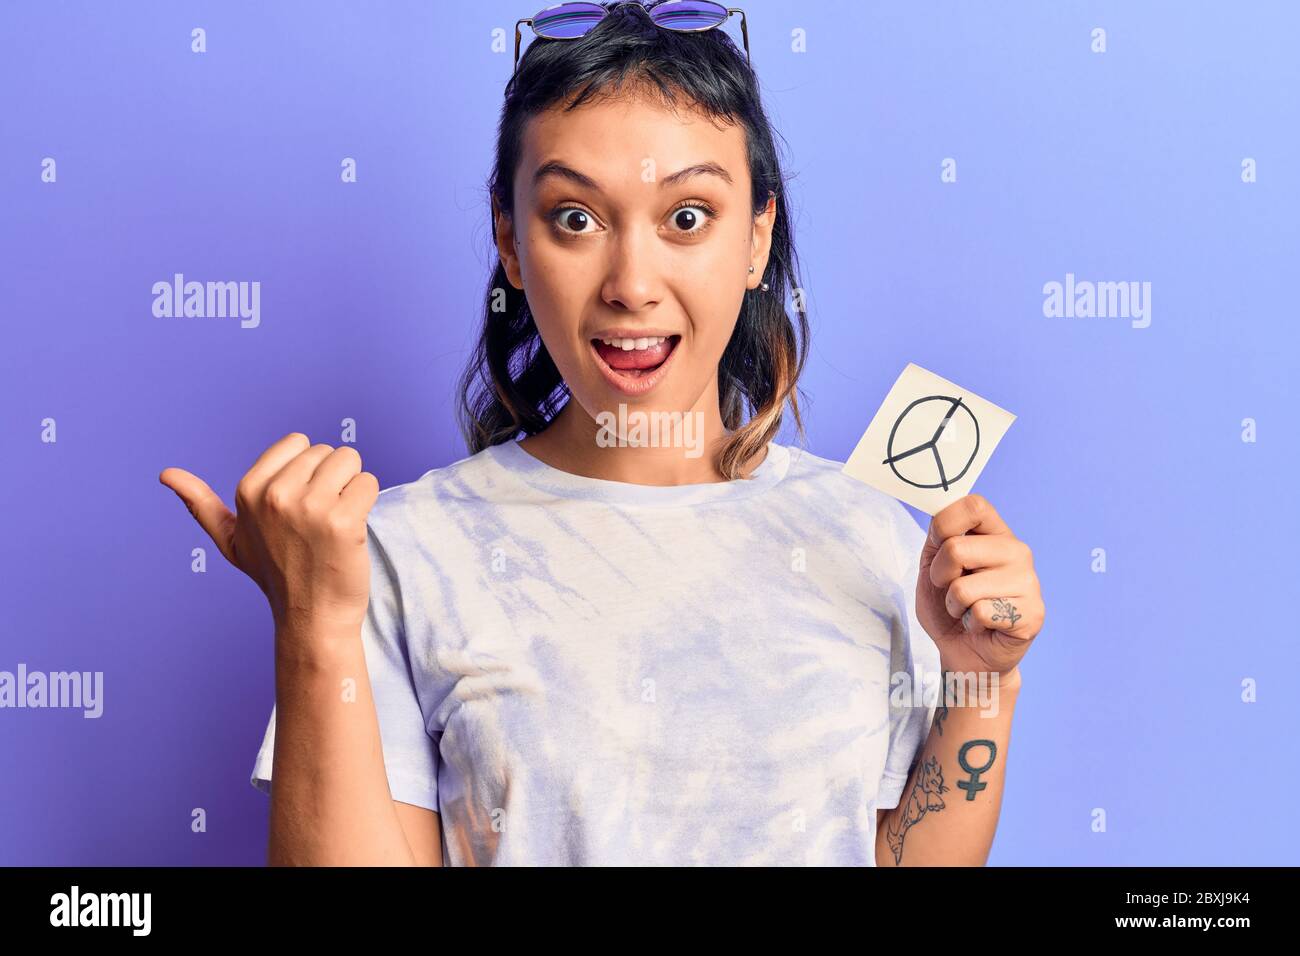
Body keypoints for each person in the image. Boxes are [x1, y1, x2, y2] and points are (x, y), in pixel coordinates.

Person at [160, 1, 1044, 866]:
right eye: (574, 218)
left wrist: (981, 679)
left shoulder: (878, 538)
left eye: (687, 217)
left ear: (757, 239)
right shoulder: (392, 555)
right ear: (510, 240)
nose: (632, 283)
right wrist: (313, 622)